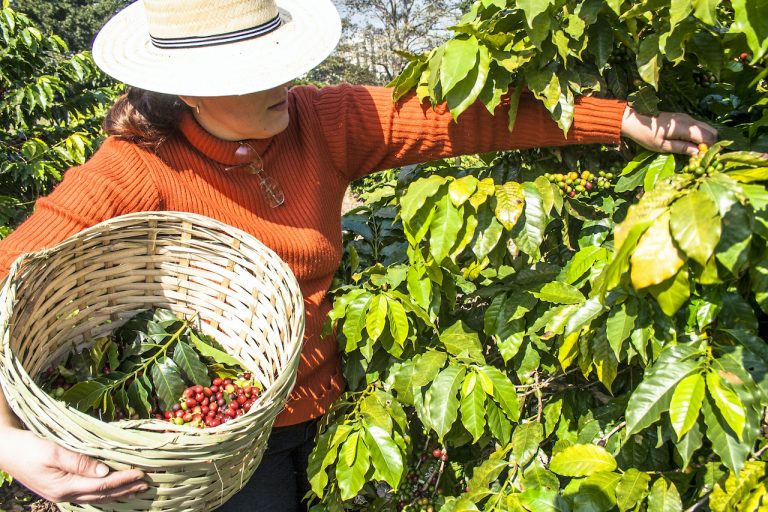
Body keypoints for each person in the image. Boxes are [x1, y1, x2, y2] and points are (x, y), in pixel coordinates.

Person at [0, 0, 717, 510]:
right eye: (256, 70)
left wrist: (623, 120)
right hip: (220, 446)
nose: (286, 81)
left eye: (281, 58)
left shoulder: (320, 120)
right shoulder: (136, 168)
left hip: (334, 406)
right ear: (191, 90)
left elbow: (458, 118)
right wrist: (7, 442)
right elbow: (10, 273)